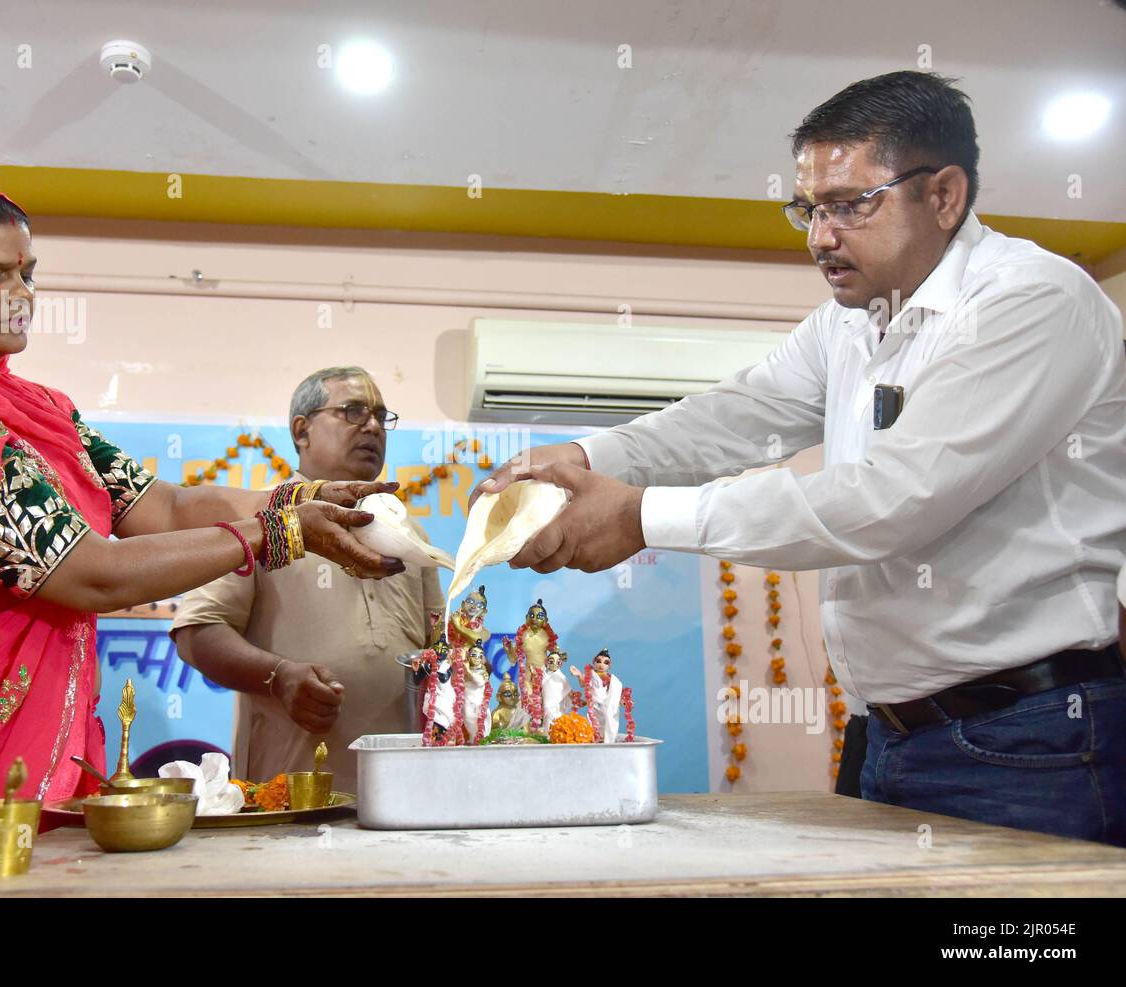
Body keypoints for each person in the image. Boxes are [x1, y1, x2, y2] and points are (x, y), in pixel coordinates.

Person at [481, 72, 1126, 845]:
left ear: (945, 195)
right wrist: (584, 453)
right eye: (809, 209)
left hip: (1027, 738)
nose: (820, 236)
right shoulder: (848, 323)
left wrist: (638, 515)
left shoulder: (1032, 301)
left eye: (850, 205)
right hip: (882, 731)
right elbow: (736, 417)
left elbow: (891, 499)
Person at [0, 176, 405, 895]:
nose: (21, 294)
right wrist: (278, 531)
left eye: (28, 274)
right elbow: (92, 572)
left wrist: (301, 494)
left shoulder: (42, 413)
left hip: (35, 751)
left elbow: (161, 505)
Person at [172, 368, 443, 790]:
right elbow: (197, 631)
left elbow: (434, 649)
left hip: (402, 792)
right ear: (302, 431)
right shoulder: (260, 525)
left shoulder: (411, 534)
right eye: (353, 411)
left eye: (380, 415)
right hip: (290, 798)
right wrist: (279, 677)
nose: (372, 425)